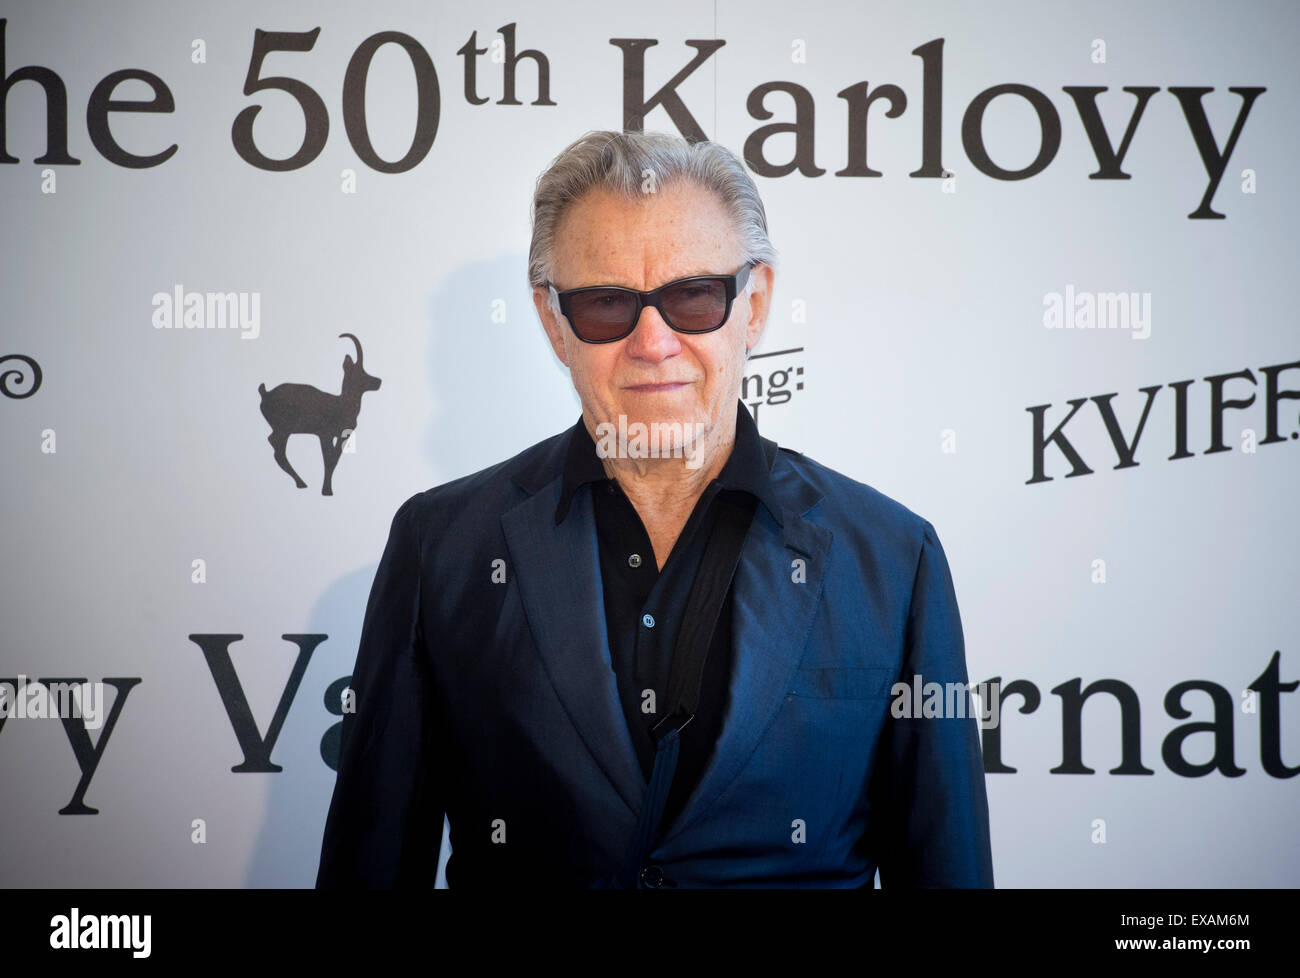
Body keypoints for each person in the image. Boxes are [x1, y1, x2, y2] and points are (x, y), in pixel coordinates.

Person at [316, 129, 994, 888]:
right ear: (553, 322)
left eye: (692, 297)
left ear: (755, 305)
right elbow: (371, 864)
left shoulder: (893, 559)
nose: (653, 341)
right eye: (606, 305)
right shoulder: (442, 546)